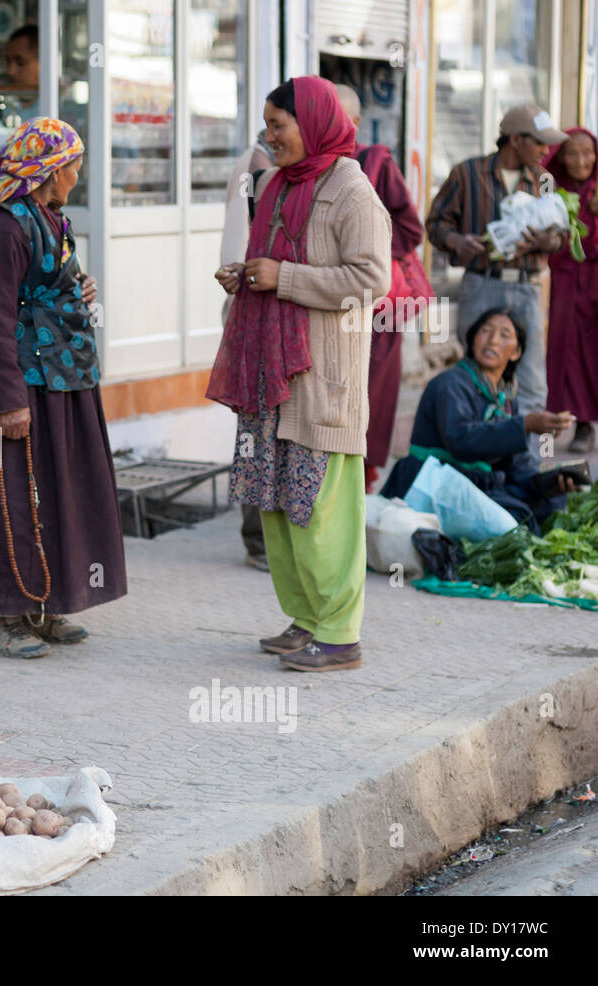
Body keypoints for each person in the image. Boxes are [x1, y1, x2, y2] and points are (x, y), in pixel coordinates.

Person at [209, 77, 391, 673]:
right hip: (271, 376)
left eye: (278, 124)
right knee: (278, 508)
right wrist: (249, 275)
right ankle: (307, 617)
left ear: (311, 123)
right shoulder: (278, 183)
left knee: (322, 512)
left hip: (321, 380)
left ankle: (340, 635)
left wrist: (281, 278)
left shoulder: (352, 191)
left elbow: (369, 282)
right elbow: (284, 259)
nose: (268, 135)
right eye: (266, 124)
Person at [0, 118, 127, 657]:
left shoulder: (48, 218)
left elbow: (45, 283)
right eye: (74, 163)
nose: (78, 173)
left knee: (55, 493)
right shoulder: (4, 228)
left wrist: (77, 283)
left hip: (56, 381)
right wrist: (9, 402)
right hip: (15, 385)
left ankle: (42, 601)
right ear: (50, 168)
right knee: (8, 495)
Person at [426, 104, 569, 414]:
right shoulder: (466, 173)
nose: (546, 150)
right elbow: (436, 224)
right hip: (481, 284)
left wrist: (548, 240)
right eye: (539, 141)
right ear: (515, 139)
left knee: (530, 381)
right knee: (476, 374)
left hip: (527, 288)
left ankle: (529, 460)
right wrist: (457, 241)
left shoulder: (544, 180)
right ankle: (476, 454)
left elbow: (561, 237)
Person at [380, 309, 576, 531]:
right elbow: (461, 441)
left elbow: (516, 465)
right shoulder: (450, 383)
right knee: (512, 526)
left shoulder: (507, 398)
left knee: (550, 504)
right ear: (473, 339)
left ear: (516, 352)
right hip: (435, 477)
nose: (492, 340)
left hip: (475, 481)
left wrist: (550, 483)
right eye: (486, 331)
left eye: (504, 335)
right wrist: (525, 425)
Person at [334, 83, 432, 491]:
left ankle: (365, 478)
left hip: (379, 302)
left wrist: (363, 250)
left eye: (333, 115)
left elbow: (411, 228)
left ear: (355, 124)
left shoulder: (374, 161)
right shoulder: (305, 166)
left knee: (374, 389)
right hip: (333, 299)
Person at [218, 130, 274, 571]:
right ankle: (259, 540)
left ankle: (262, 536)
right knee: (257, 426)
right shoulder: (260, 167)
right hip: (251, 305)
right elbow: (240, 252)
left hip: (254, 304)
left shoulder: (261, 162)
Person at [540, 128, 598, 452]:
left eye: (588, 152)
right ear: (560, 157)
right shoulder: (552, 191)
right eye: (572, 153)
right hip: (566, 281)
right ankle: (580, 423)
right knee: (569, 350)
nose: (581, 161)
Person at [0, 25, 41, 162]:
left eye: (20, 62)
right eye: (8, 62)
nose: (11, 71)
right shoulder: (3, 107)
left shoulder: (58, 108)